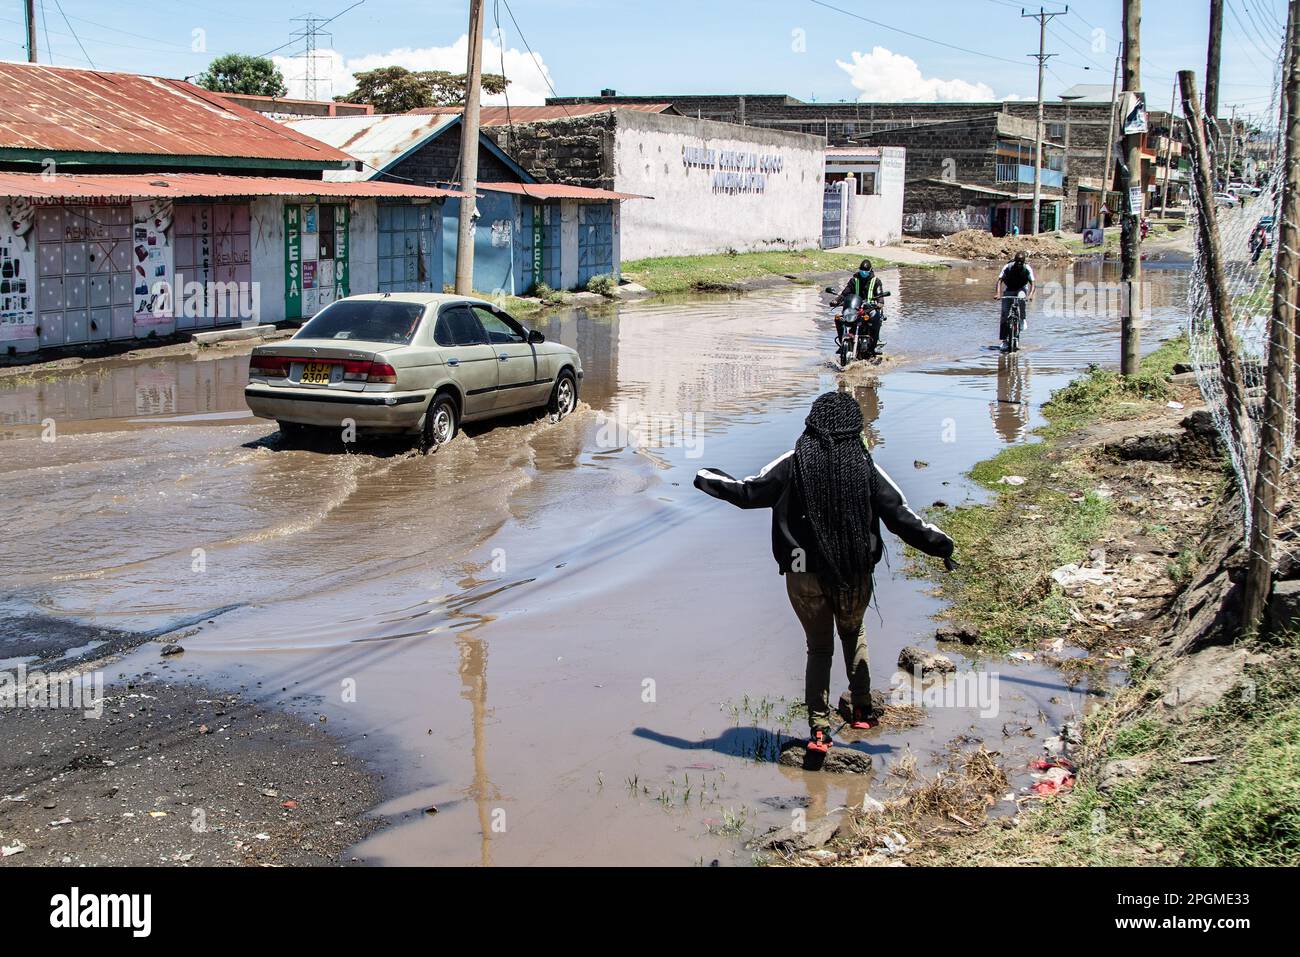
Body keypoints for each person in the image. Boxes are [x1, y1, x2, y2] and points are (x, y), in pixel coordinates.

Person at [693, 391, 956, 754]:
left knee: (818, 649)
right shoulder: (864, 465)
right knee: (853, 633)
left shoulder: (794, 462)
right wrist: (942, 545)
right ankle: (862, 710)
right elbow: (902, 518)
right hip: (853, 575)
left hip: (802, 576)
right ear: (856, 429)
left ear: (811, 425)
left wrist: (704, 475)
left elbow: (748, 492)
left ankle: (819, 732)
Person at [830, 259, 884, 351]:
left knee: (876, 318)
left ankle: (873, 346)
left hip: (869, 309)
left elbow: (880, 294)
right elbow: (844, 293)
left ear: (870, 270)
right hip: (854, 308)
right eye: (862, 271)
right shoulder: (854, 280)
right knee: (839, 319)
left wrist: (880, 302)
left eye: (866, 271)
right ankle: (842, 343)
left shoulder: (876, 281)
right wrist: (836, 300)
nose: (863, 273)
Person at [995, 251, 1035, 347]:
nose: (1019, 264)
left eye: (1021, 262)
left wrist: (1030, 295)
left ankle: (1022, 319)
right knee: (1004, 314)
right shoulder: (1007, 267)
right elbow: (999, 281)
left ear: (1024, 261)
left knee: (1021, 299)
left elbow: (1033, 284)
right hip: (1010, 288)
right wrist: (998, 293)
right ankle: (1004, 341)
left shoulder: (1027, 268)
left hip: (1021, 288)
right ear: (1015, 261)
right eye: (1018, 262)